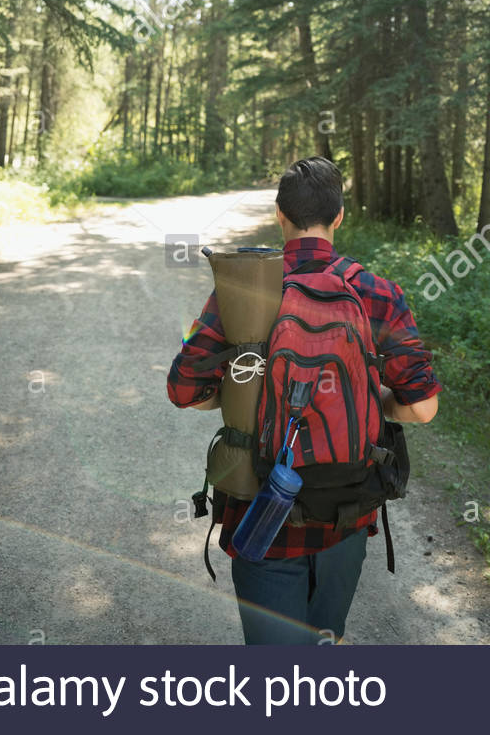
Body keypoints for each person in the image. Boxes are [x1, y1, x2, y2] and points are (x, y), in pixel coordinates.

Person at [167, 156, 441, 644]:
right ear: (339, 217)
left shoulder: (242, 291)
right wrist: (373, 400)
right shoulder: (378, 294)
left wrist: (239, 392)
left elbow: (184, 392)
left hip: (260, 511)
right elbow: (422, 408)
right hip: (348, 512)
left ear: (280, 214)